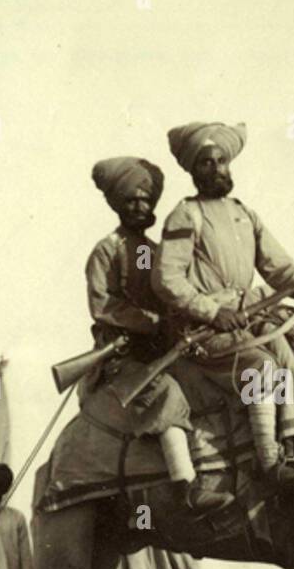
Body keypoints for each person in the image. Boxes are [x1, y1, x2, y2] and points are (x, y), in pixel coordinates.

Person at [153, 121, 294, 488]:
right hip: (206, 332)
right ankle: (270, 463)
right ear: (193, 170)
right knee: (262, 368)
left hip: (252, 319)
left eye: (222, 161)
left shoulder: (244, 213)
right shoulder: (185, 214)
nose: (217, 169)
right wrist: (211, 311)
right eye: (207, 163)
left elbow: (278, 267)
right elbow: (165, 278)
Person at [87, 155, 231, 513]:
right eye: (131, 200)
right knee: (167, 393)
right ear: (117, 204)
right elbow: (103, 306)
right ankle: (187, 487)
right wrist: (151, 322)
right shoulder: (107, 250)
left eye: (145, 201)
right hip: (124, 356)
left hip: (163, 349)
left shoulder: (152, 252)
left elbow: (170, 294)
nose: (139, 207)